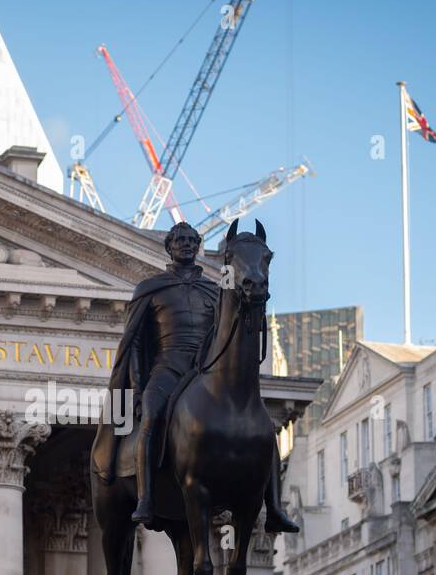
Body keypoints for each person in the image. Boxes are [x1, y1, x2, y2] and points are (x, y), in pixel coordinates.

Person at [93, 221, 298, 532]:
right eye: (180, 240)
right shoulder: (151, 288)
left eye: (191, 240)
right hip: (167, 369)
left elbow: (233, 328)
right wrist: (137, 387)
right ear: (169, 247)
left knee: (264, 428)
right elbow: (134, 342)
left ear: (199, 245)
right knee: (151, 415)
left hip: (203, 369)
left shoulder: (214, 291)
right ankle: (147, 497)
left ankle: (273, 507)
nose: (186, 244)